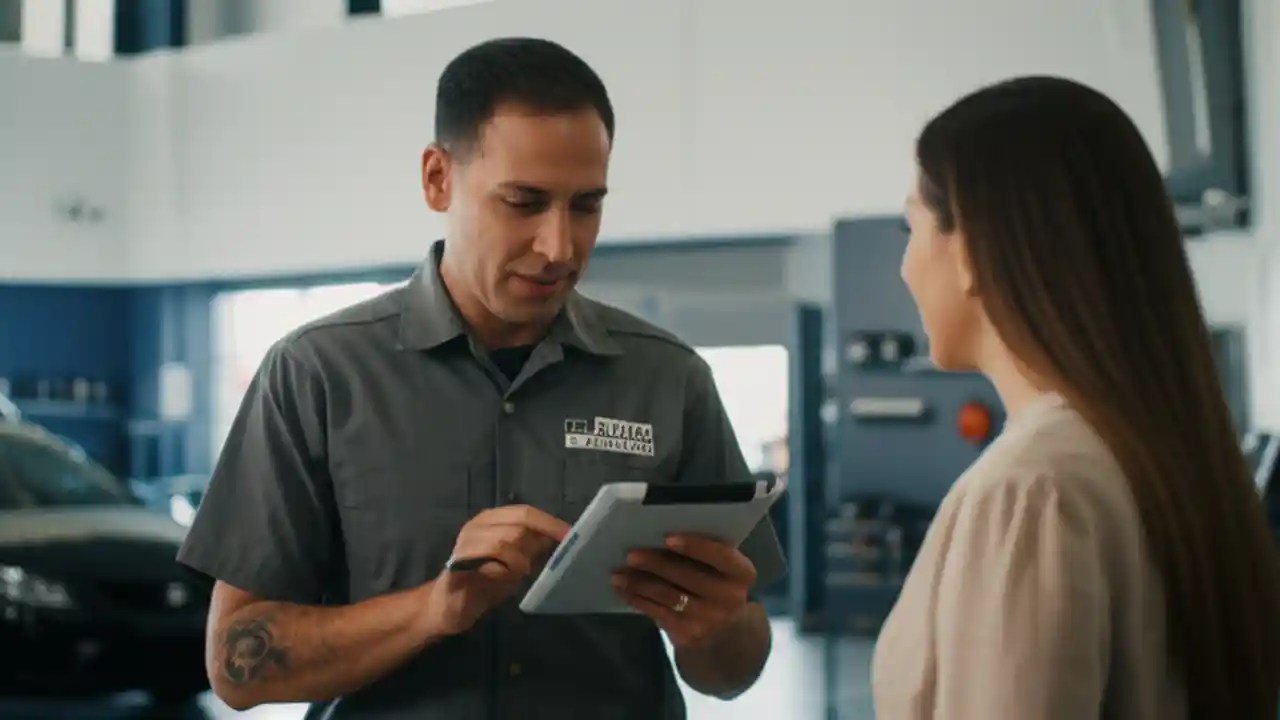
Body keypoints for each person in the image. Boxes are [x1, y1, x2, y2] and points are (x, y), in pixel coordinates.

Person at [177, 37, 785, 719]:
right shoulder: (317, 375)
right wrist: (430, 610)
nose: (559, 246)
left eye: (586, 206)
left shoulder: (669, 379)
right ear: (438, 178)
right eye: (523, 202)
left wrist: (715, 629)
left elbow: (733, 671)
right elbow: (236, 667)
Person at [872, 75, 1280, 719]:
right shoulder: (1165, 458)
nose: (904, 266)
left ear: (970, 246)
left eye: (911, 228)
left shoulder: (1029, 490)